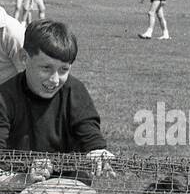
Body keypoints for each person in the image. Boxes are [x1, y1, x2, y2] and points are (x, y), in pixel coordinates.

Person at [0, 15, 113, 171]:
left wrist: (97, 150)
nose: (54, 80)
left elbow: (89, 131)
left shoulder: (74, 90)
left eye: (63, 70)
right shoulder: (4, 98)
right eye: (46, 68)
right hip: (14, 184)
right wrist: (24, 179)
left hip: (68, 184)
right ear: (24, 57)